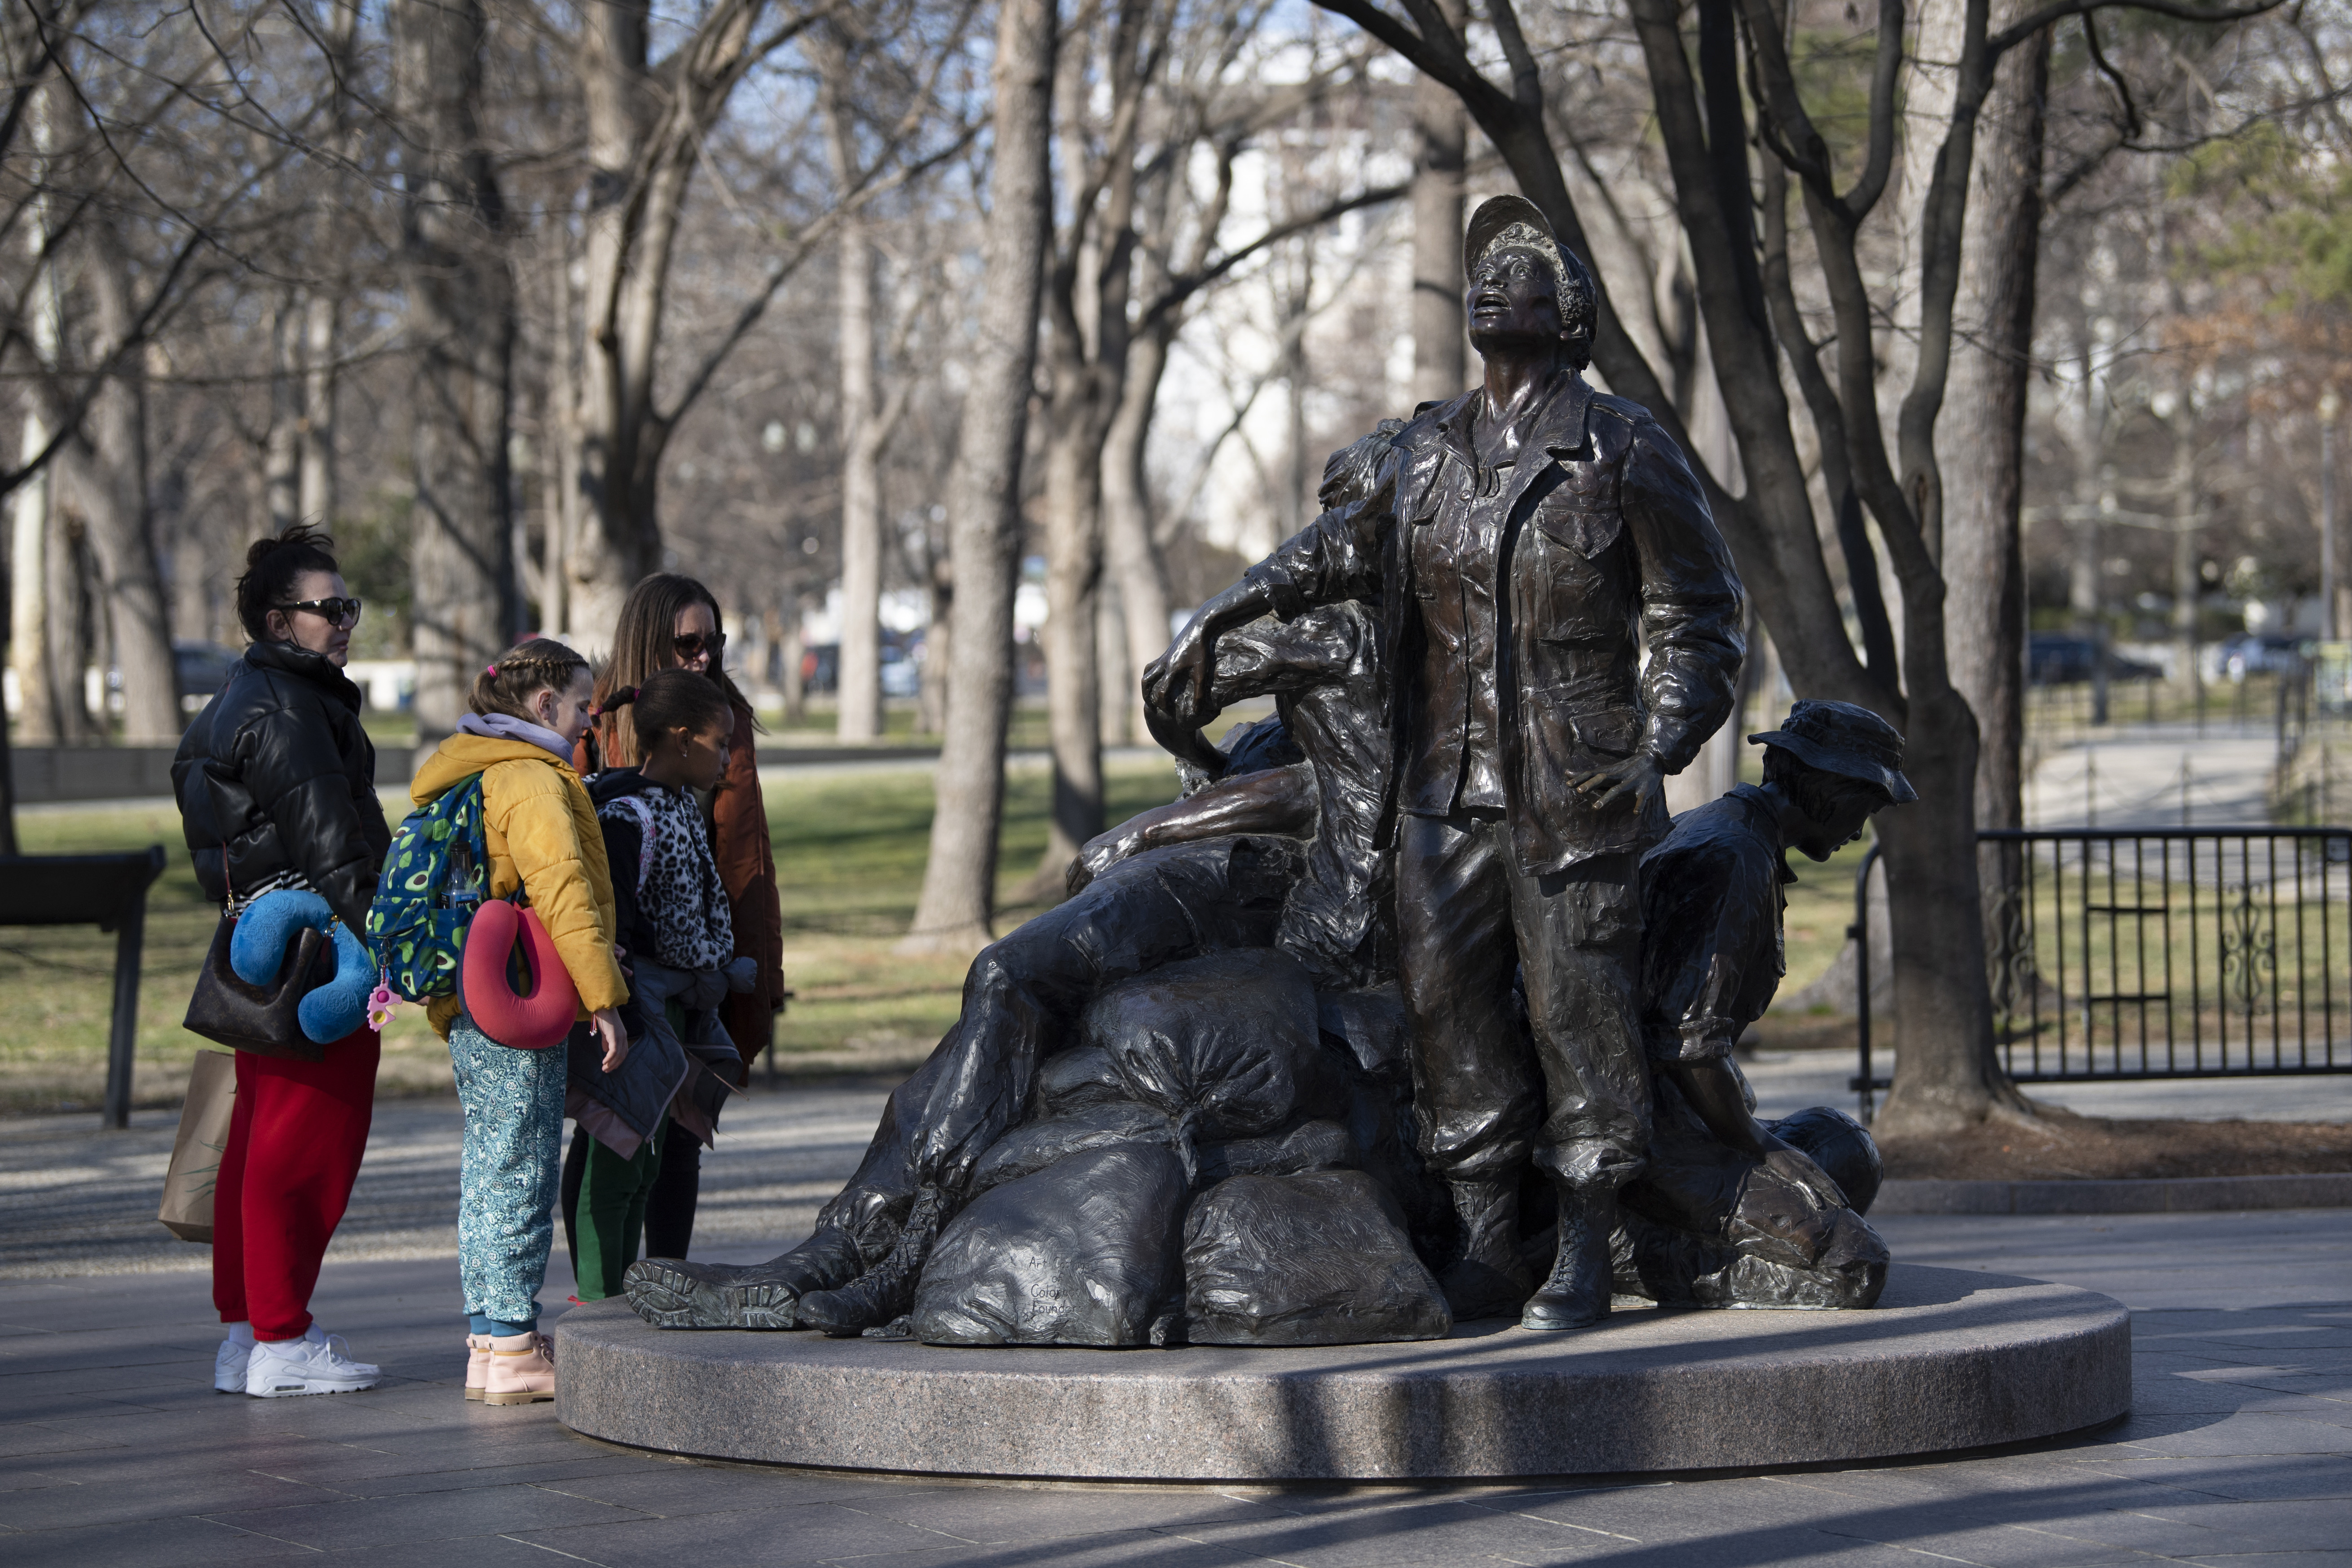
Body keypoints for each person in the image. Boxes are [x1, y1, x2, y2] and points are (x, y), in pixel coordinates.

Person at [1147, 195, 1746, 1330]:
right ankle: (1483, 1241)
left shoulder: (1619, 445)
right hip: (1441, 794)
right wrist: (1223, 613)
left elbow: (1700, 614)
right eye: (1480, 273)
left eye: (1517, 271)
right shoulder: (1424, 450)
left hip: (1574, 787)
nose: (1487, 285)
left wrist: (1663, 741)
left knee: (1582, 1013)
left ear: (1566, 312)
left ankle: (1583, 1241)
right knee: (1448, 1012)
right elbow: (1336, 548)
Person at [174, 524, 389, 1397]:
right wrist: (389, 943)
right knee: (305, 1148)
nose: (343, 622)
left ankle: (249, 1334)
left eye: (350, 607)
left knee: (259, 1144)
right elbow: (332, 840)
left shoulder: (239, 697)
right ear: (276, 620)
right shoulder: (288, 708)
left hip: (258, 944)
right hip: (317, 953)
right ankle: (282, 1340)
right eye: (326, 609)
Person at [1616, 699, 1912, 1308]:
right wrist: (1761, 1145)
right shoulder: (1734, 857)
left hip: (1682, 1115)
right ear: (1828, 787)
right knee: (1852, 1265)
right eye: (1865, 805)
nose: (1861, 831)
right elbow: (1687, 1044)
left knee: (1843, 1149)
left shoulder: (1734, 831)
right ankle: (1627, 1252)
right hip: (1651, 1129)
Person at [408, 638, 631, 1405]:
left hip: (473, 997)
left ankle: (490, 1344)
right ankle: (509, 1349)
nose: (585, 725)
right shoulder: (530, 780)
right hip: (520, 998)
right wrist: (604, 999)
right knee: (518, 1169)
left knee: (494, 1164)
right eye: (580, 708)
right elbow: (563, 891)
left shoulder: (468, 767)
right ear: (543, 706)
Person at [573, 575, 784, 1261]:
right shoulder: (597, 718)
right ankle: (599, 1299)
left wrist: (740, 967)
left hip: (701, 963)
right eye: (688, 642)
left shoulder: (727, 717)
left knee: (683, 1129)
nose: (702, 656)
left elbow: (745, 856)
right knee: (610, 1128)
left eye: (713, 643)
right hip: (626, 966)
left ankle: (667, 1282)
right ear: (648, 640)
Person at [565, 670, 746, 1299]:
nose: (727, 757)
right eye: (719, 742)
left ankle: (627, 1303)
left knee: (646, 1166)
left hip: (673, 1009)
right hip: (633, 1011)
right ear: (680, 738)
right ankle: (598, 1304)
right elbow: (612, 925)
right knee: (616, 1159)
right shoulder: (627, 817)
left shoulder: (680, 809)